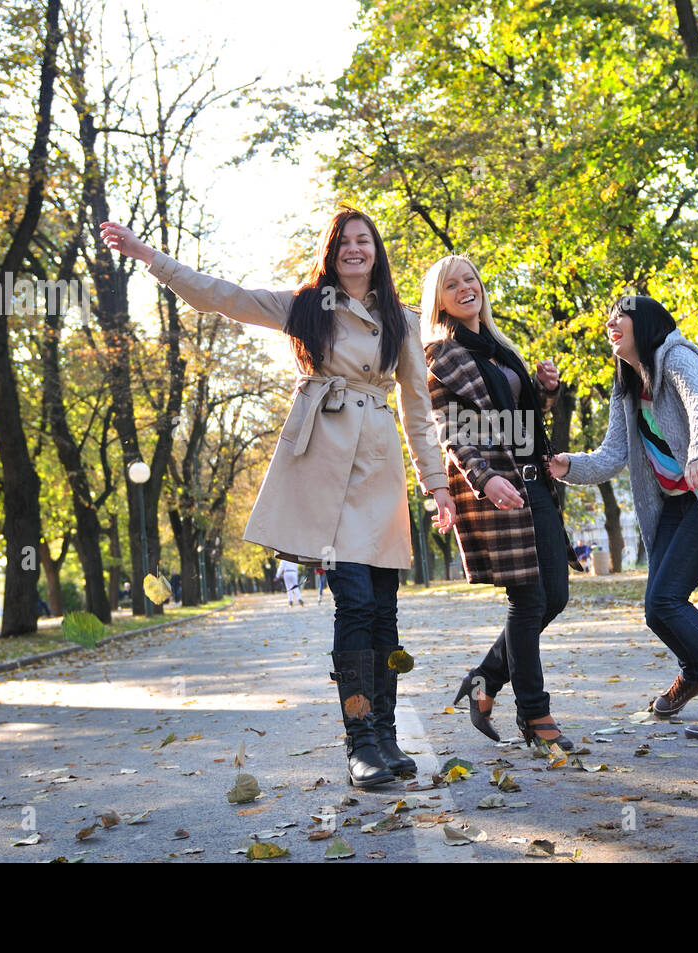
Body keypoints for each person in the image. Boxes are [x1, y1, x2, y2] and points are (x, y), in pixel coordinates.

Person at [101, 206, 457, 789]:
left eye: (364, 241)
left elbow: (418, 411)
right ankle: (361, 740)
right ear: (331, 251)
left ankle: (388, 737)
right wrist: (145, 255)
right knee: (357, 604)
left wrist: (436, 485)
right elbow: (223, 296)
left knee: (387, 613)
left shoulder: (402, 319)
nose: (354, 249)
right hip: (324, 472)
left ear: (377, 250)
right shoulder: (305, 306)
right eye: (343, 241)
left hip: (381, 473)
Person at [549, 295, 698, 738]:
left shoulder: (677, 356)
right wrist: (569, 466)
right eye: (607, 318)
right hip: (678, 503)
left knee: (665, 600)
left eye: (620, 316)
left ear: (646, 322)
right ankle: (696, 671)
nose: (610, 323)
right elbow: (613, 454)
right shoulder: (627, 386)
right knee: (657, 610)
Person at [421, 254, 580, 750]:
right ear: (440, 300)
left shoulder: (500, 348)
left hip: (536, 485)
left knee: (555, 596)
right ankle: (536, 716)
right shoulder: (440, 357)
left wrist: (545, 392)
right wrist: (482, 478)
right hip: (497, 488)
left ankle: (485, 679)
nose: (466, 288)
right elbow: (451, 432)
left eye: (470, 279)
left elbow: (518, 419)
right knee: (529, 600)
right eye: (453, 284)